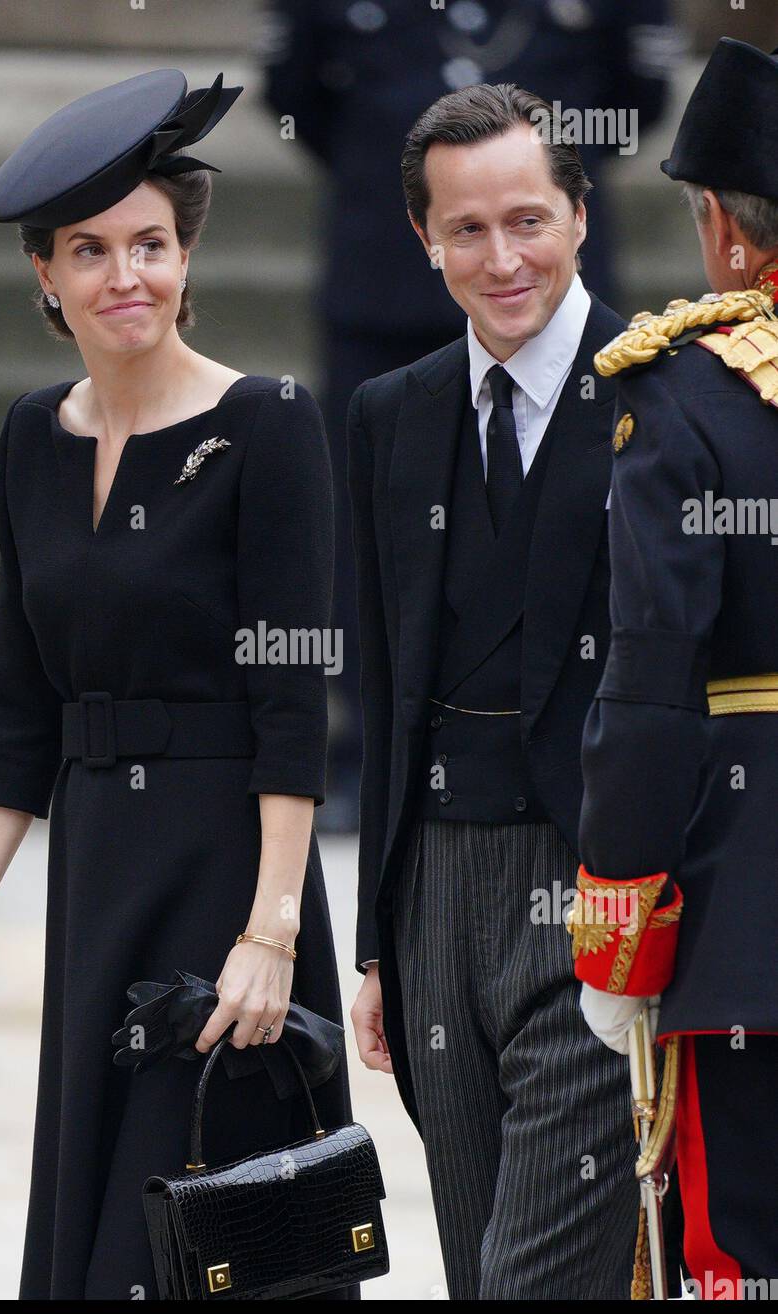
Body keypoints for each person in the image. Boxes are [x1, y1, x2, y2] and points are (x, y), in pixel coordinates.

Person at [0, 68, 357, 1301]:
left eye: (150, 244)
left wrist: (272, 934)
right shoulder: (29, 441)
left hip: (224, 871)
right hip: (100, 867)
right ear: (44, 275)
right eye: (91, 251)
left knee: (215, 1230)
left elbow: (289, 705)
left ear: (186, 254)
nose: (127, 277)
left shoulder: (268, 424)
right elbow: (19, 718)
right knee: (102, 1220)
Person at [346, 82, 641, 1298]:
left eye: (527, 219)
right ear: (424, 239)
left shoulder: (661, 398)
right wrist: (375, 942)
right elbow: (380, 682)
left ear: (578, 213)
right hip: (431, 902)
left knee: (535, 1279)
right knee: (477, 1272)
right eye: (465, 229)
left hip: (592, 892)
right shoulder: (385, 414)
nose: (501, 257)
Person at [261, 0, 680, 829]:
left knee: (577, 510)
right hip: (380, 274)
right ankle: (370, 752)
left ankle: (578, 734)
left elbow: (638, 91)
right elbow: (294, 91)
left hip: (548, 282)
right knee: (370, 525)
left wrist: (533, 200)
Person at [571, 36, 778, 1298]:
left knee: (733, 1258)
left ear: (722, 231)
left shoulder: (685, 399)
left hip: (745, 911)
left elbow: (648, 686)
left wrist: (618, 917)